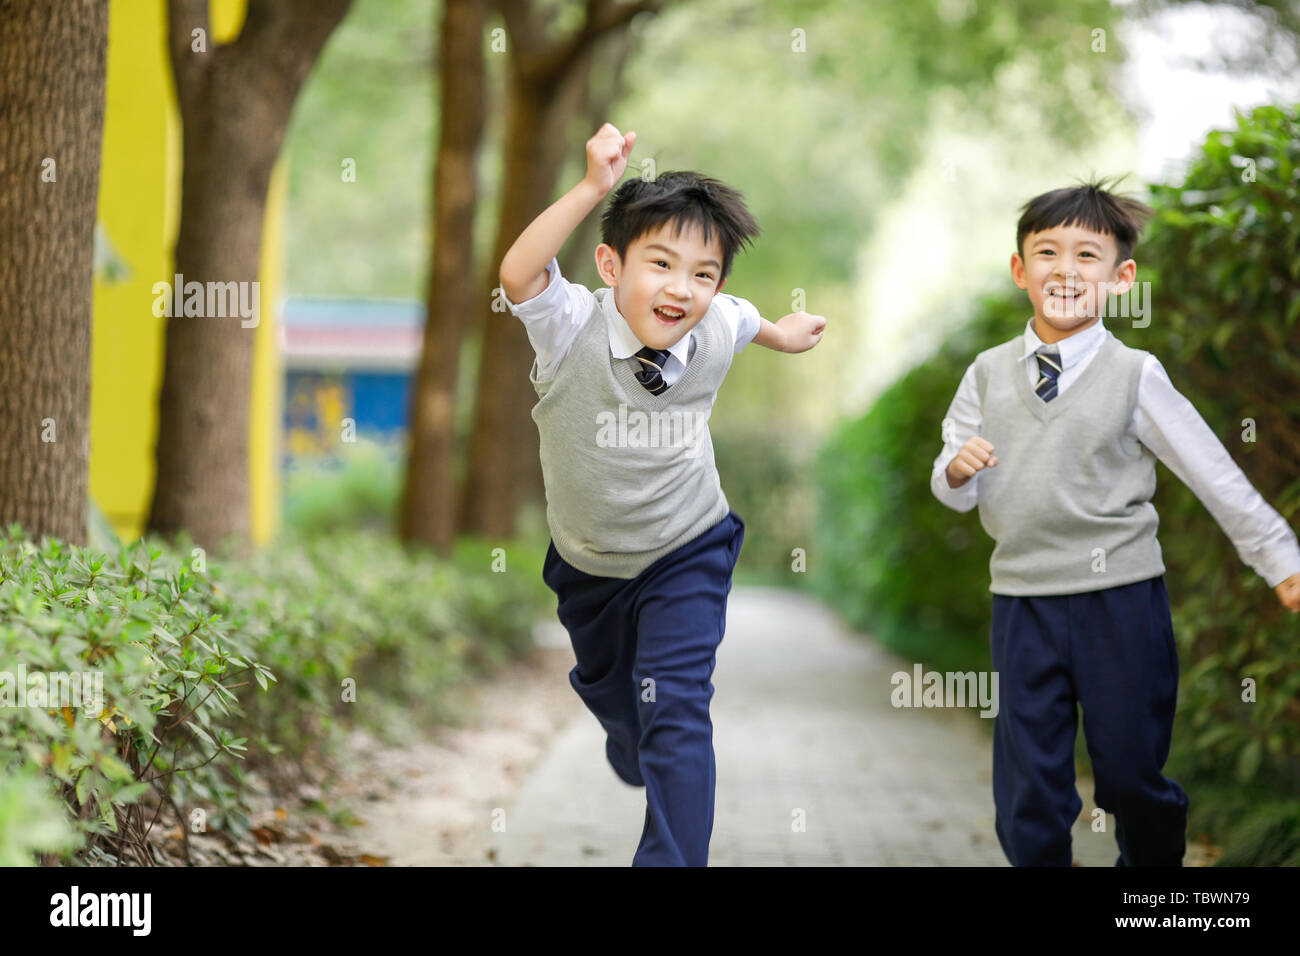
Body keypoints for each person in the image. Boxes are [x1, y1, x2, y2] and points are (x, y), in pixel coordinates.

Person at [930, 178, 1300, 867]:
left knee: (1132, 778)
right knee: (1028, 791)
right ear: (1020, 270)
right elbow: (952, 484)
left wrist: (1279, 557)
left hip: (1121, 601)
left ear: (1121, 277)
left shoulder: (1135, 374)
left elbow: (1210, 471)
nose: (1065, 271)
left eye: (1087, 255)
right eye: (1047, 253)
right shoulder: (985, 373)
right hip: (1023, 604)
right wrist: (956, 471)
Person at [498, 122, 827, 865]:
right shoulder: (570, 324)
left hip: (689, 547)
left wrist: (788, 334)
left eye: (704, 274)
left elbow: (750, 322)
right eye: (661, 264)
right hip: (589, 567)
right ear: (611, 265)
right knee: (623, 704)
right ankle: (628, 737)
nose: (682, 288)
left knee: (676, 710)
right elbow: (520, 272)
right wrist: (591, 186)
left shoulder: (718, 321)